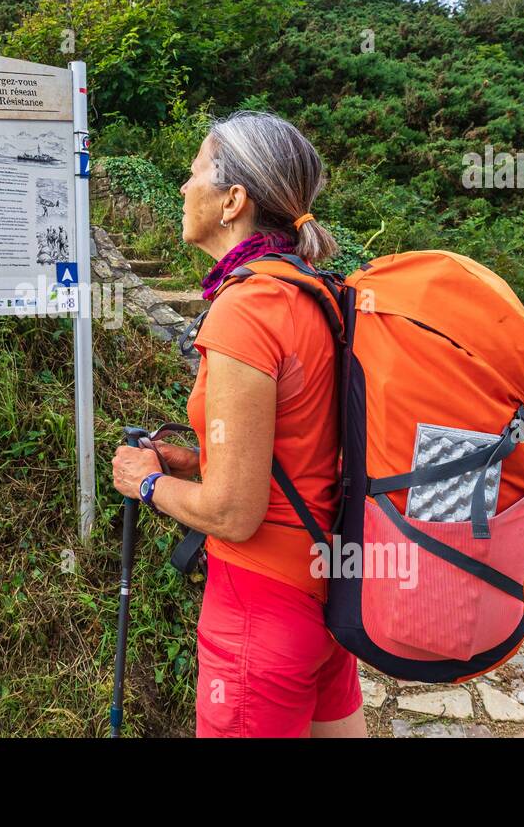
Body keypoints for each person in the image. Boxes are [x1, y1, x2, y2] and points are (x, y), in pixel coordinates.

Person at [111, 110, 365, 739]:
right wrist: (199, 462)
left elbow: (233, 514)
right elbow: (303, 439)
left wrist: (146, 483)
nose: (181, 187)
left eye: (193, 171)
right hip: (329, 588)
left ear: (233, 200)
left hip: (260, 608)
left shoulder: (246, 309)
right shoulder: (313, 291)